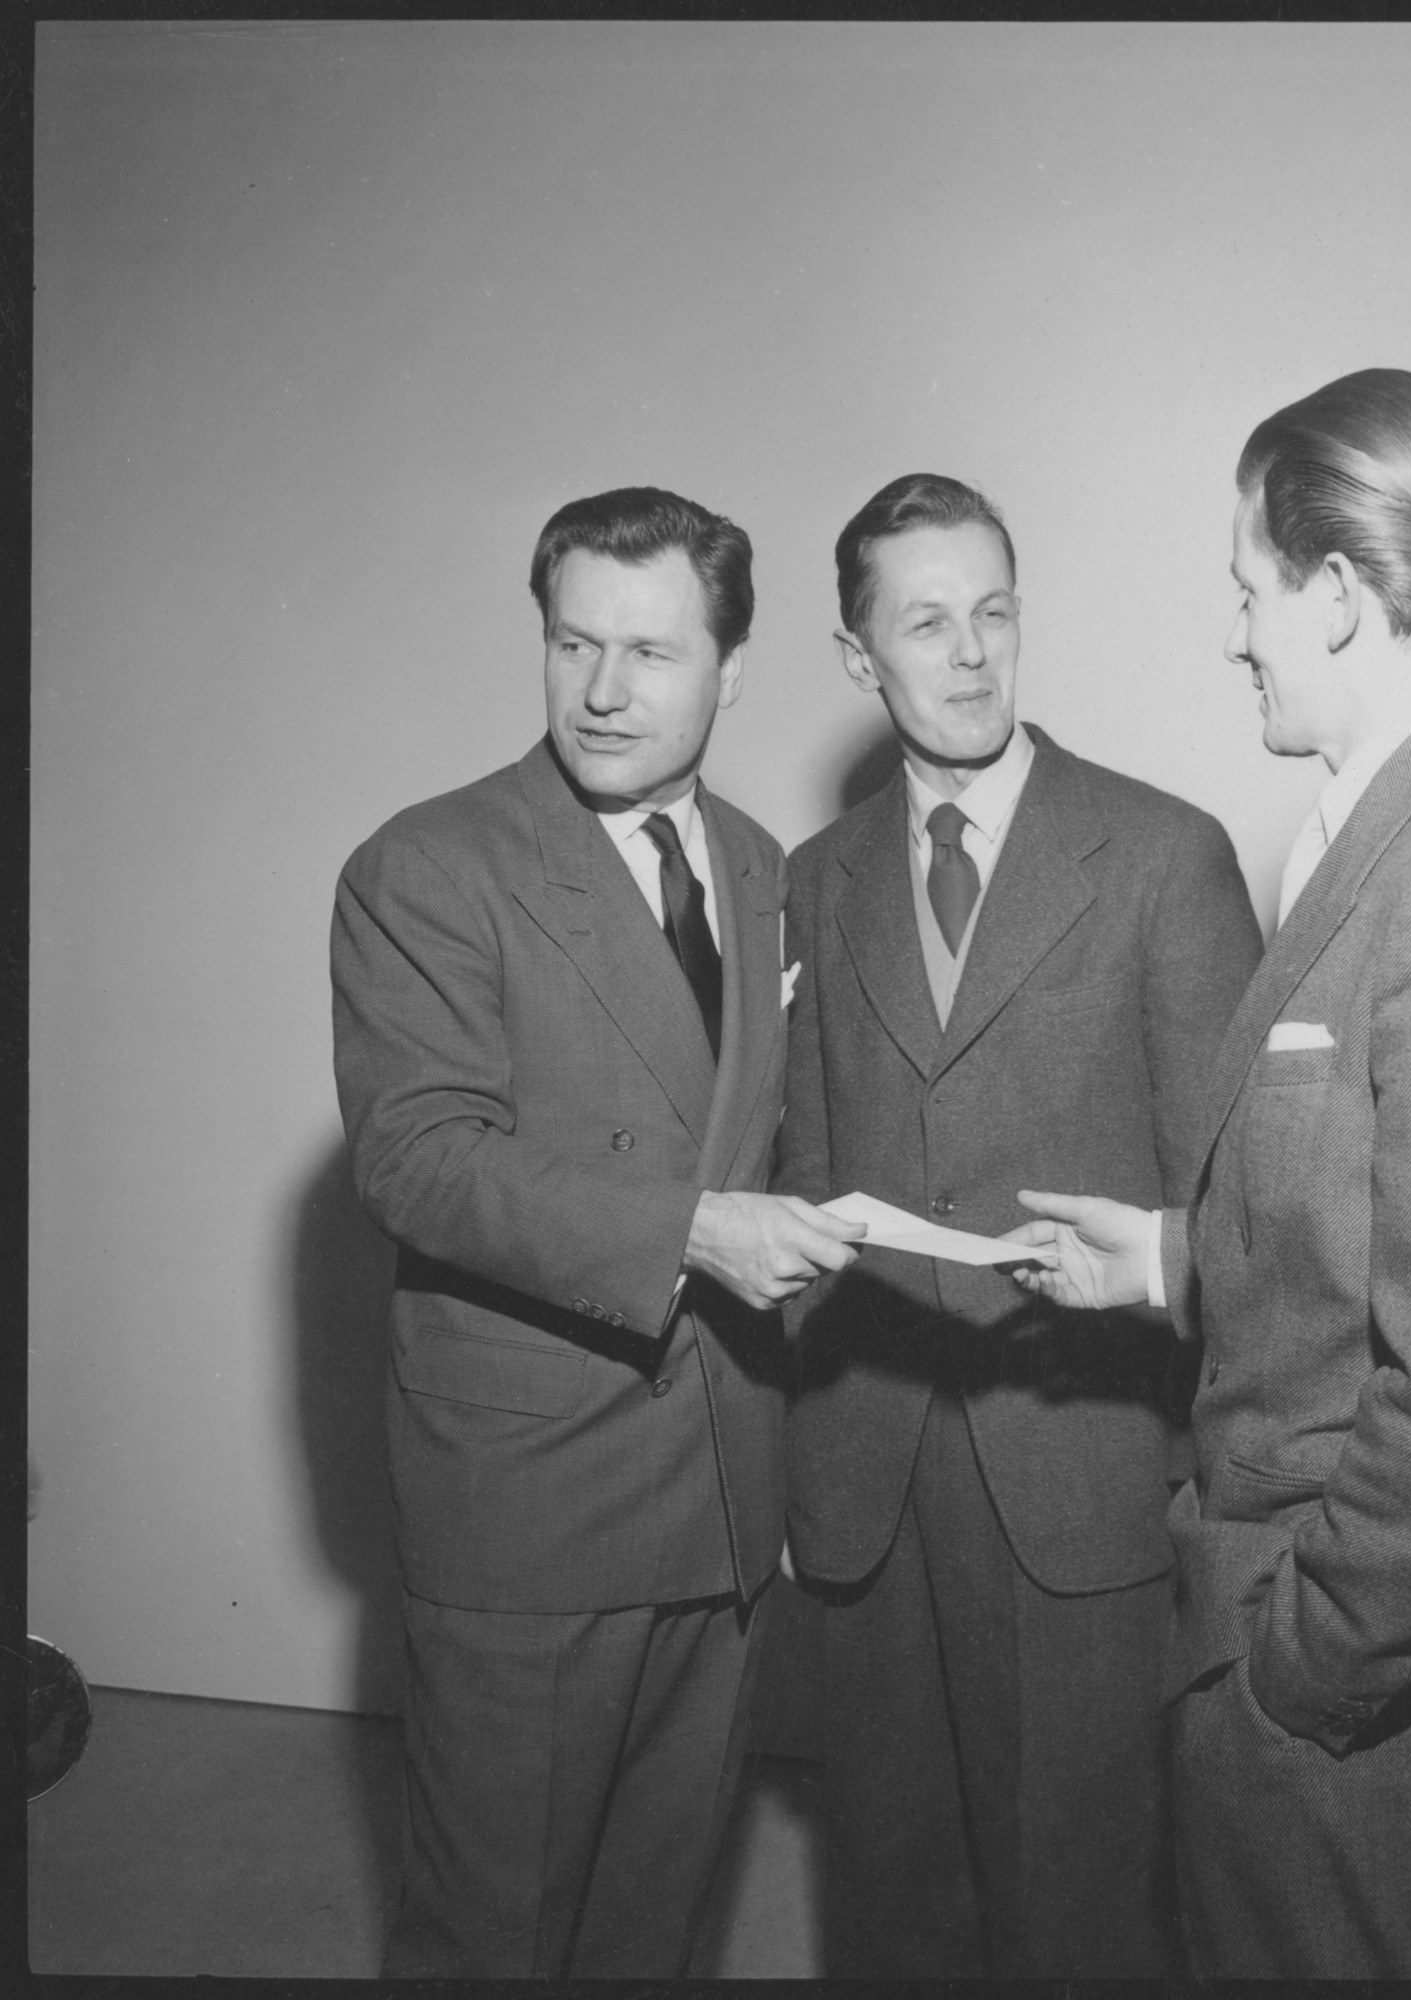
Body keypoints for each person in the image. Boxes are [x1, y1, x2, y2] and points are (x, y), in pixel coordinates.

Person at [1014, 370, 1411, 1980]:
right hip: (1353, 1696)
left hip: (1374, 1727)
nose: (1233, 634)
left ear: (1340, 592)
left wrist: (1291, 1677)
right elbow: (1374, 1223)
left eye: (1248, 590)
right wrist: (1167, 1259)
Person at [329, 486, 863, 1978]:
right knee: (493, 1938)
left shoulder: (762, 867)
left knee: (655, 1929)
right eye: (574, 645)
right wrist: (694, 1230)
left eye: (651, 651)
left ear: (731, 670)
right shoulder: (430, 865)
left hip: (720, 1490)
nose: (604, 691)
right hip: (533, 1502)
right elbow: (419, 1160)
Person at [775, 473, 1262, 1978]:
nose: (973, 653)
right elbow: (808, 1174)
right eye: (927, 623)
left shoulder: (1161, 854)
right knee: (888, 1906)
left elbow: (1240, 1206)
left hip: (1080, 1473)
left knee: (1080, 1911)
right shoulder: (813, 881)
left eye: (992, 611)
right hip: (868, 1484)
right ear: (857, 655)